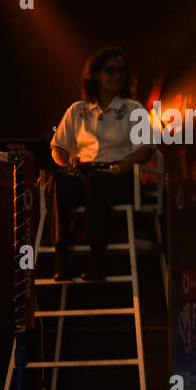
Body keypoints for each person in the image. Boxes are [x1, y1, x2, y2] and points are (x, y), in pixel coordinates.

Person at [48, 47, 157, 281]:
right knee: (58, 180)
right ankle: (62, 255)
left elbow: (145, 151)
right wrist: (67, 166)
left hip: (121, 176)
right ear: (96, 74)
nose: (118, 76)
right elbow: (57, 148)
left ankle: (97, 255)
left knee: (99, 181)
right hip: (84, 173)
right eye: (111, 70)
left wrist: (118, 169)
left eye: (121, 71)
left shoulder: (133, 109)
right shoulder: (77, 110)